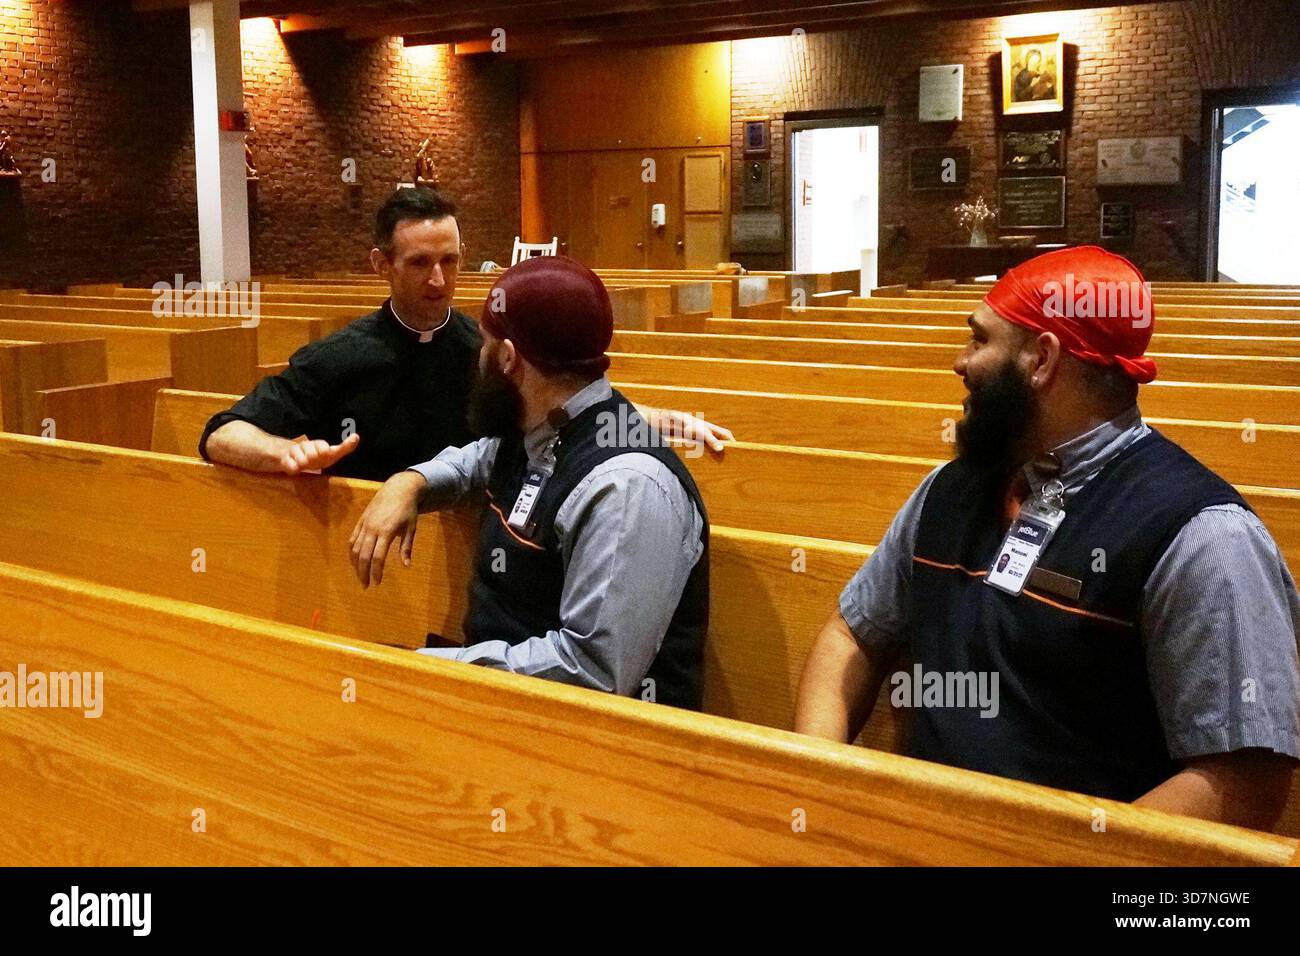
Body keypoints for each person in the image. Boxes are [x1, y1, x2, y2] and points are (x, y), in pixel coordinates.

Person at [794, 246, 1300, 831]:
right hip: (916, 835)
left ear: (1041, 359)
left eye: (980, 341)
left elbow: (1245, 783)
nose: (961, 362)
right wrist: (822, 782)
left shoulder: (1204, 537)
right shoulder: (948, 490)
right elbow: (853, 634)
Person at [348, 255, 709, 708]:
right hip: (503, 701)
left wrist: (435, 668)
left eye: (484, 345)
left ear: (507, 358)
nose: (477, 359)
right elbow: (476, 460)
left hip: (601, 750)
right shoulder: (538, 426)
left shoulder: (626, 487)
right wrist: (411, 482)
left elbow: (591, 672)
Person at [200, 187, 731, 480]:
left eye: (450, 261)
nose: (439, 280)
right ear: (380, 265)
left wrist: (655, 421)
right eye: (420, 263)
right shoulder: (337, 358)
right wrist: (282, 455)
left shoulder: (487, 349)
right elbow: (221, 433)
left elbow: (564, 410)